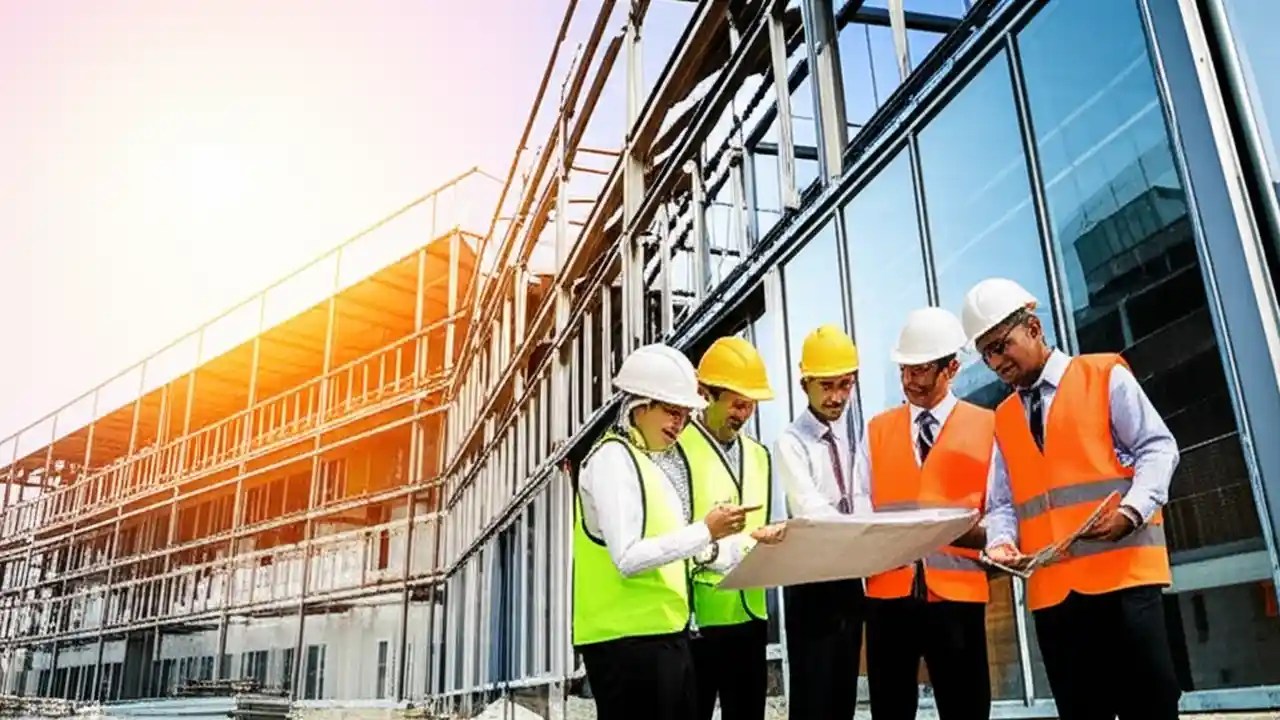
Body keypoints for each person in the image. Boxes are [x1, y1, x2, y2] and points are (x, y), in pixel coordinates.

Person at [963, 278, 1182, 720]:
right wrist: (1001, 543)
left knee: (1150, 709)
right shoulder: (1003, 418)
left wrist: (1131, 511)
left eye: (1002, 346)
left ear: (1035, 328)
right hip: (1055, 601)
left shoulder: (1102, 376)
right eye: (986, 353)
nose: (995, 362)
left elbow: (1158, 448)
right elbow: (1005, 503)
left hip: (1124, 583)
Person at [573, 343, 758, 720]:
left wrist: (747, 546)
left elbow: (678, 554)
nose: (680, 424)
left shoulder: (649, 462)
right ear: (639, 405)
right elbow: (628, 558)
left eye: (686, 415)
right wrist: (706, 531)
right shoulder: (613, 459)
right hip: (625, 644)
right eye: (672, 412)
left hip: (663, 637)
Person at [855, 307, 995, 720]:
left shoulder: (986, 426)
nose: (910, 381)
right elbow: (862, 499)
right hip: (888, 596)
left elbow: (1002, 508)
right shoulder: (877, 429)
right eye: (904, 370)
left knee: (966, 707)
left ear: (951, 368)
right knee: (890, 709)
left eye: (921, 370)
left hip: (958, 595)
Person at [675, 336, 787, 720]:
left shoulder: (760, 456)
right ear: (707, 396)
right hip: (695, 621)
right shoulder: (676, 448)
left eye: (751, 404)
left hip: (750, 618)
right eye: (737, 403)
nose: (745, 413)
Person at [774, 324, 866, 720]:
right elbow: (810, 508)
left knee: (843, 693)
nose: (837, 397)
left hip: (849, 579)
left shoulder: (852, 436)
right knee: (814, 698)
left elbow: (861, 499)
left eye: (845, 385)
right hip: (811, 582)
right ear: (804, 384)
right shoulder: (790, 441)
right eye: (826, 386)